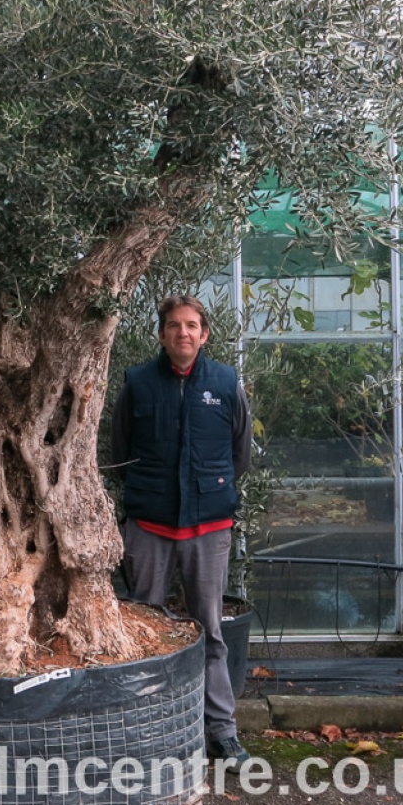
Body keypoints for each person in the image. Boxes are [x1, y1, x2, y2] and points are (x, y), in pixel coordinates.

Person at [112, 294, 253, 770]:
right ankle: (143, 732)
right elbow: (121, 449)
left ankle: (222, 734)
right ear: (161, 334)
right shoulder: (138, 383)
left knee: (210, 630)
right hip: (149, 526)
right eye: (173, 325)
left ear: (205, 334)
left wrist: (209, 491)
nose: (183, 333)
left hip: (208, 528)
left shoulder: (226, 383)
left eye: (192, 325)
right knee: (144, 633)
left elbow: (240, 453)